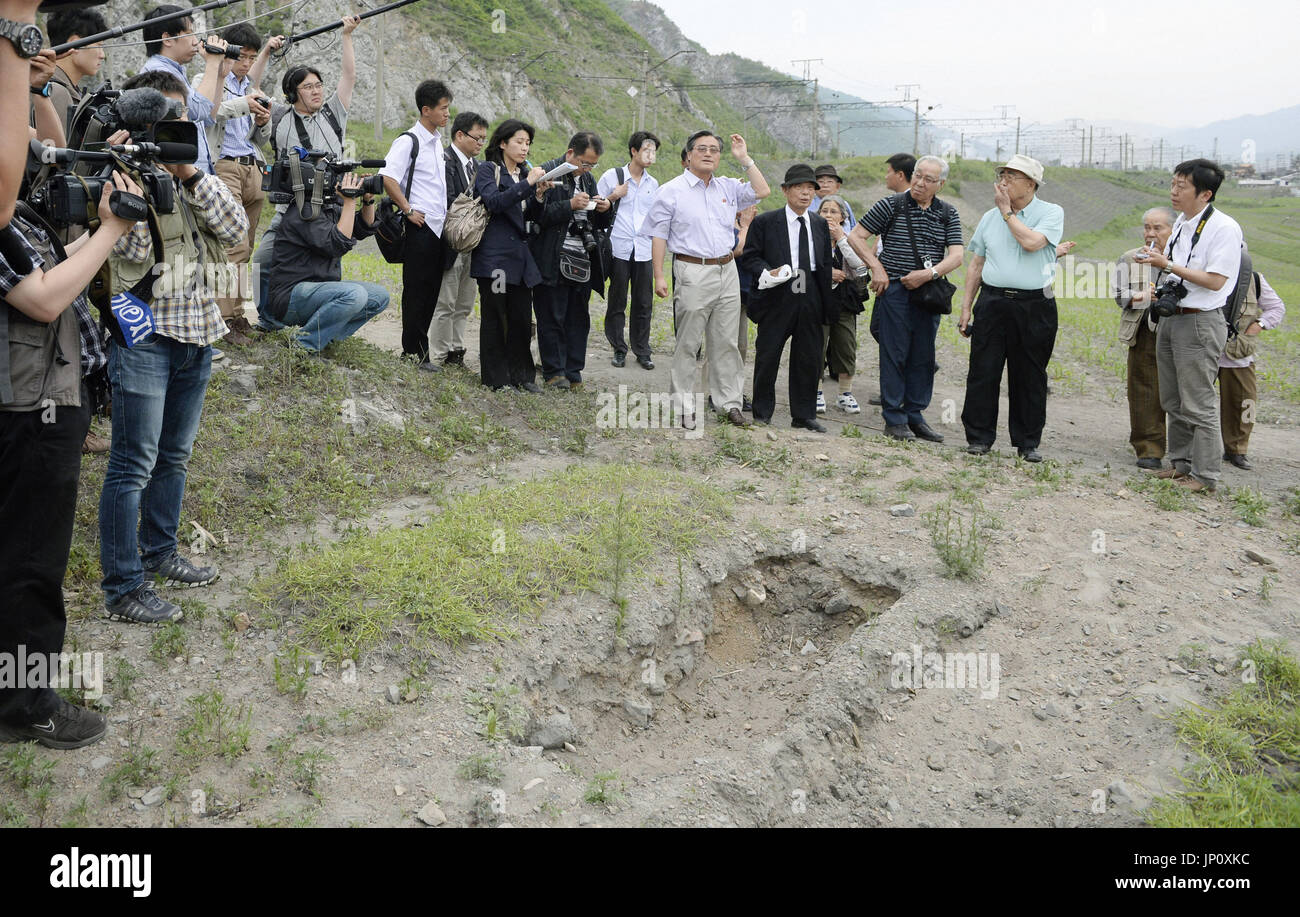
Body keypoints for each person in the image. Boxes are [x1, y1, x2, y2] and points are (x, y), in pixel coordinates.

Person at [98, 69, 248, 625]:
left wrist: (186, 171)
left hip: (197, 332)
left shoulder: (191, 175)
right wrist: (128, 169)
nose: (173, 131)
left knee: (174, 457)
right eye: (162, 123)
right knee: (132, 463)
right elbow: (125, 250)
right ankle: (122, 585)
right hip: (144, 338)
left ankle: (160, 554)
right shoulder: (117, 175)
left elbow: (235, 232)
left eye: (181, 121)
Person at [0, 166, 142, 748]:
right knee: (30, 562)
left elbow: (54, 269)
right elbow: (43, 298)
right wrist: (110, 232)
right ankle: (25, 708)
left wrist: (110, 220)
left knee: (24, 554)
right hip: (29, 411)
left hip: (46, 402)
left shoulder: (14, 214)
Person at [644, 130, 770, 428]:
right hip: (692, 269)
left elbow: (762, 191)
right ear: (688, 156)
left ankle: (728, 403)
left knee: (726, 341)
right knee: (688, 342)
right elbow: (659, 235)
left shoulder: (727, 186)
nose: (709, 153)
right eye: (702, 148)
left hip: (726, 268)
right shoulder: (671, 190)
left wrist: (745, 159)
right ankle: (684, 405)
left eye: (715, 149)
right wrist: (659, 275)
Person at [1134, 159, 1244, 493]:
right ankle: (1181, 465)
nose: (1174, 192)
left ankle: (1206, 475)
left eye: (1182, 186)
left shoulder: (1224, 228)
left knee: (1198, 402)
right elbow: (1180, 265)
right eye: (1173, 184)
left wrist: (1166, 264)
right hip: (1174, 317)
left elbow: (1214, 280)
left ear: (1205, 193)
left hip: (1200, 321)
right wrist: (1161, 263)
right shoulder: (1182, 222)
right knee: (1173, 398)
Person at [251, 15, 359, 324]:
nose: (316, 91)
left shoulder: (334, 114)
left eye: (318, 85)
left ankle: (315, 320)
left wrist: (347, 36)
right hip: (291, 210)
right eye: (308, 87)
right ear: (292, 93)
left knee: (323, 265)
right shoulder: (280, 115)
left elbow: (348, 77)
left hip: (328, 209)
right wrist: (267, 52)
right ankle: (267, 320)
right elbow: (252, 87)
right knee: (262, 261)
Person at [847, 154, 963, 442]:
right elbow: (856, 236)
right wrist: (877, 268)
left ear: (941, 184)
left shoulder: (948, 213)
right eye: (917, 176)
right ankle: (894, 418)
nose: (920, 183)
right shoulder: (891, 205)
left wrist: (929, 274)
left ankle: (915, 415)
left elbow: (957, 256)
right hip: (895, 290)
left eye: (929, 179)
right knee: (894, 354)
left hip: (928, 292)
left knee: (923, 356)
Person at [958, 155, 1063, 462]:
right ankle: (978, 437)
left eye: (1012, 176)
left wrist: (1007, 213)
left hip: (1035, 305)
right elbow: (976, 263)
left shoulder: (1051, 212)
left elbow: (1032, 243)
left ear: (1031, 184)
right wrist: (966, 308)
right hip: (992, 302)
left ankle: (1027, 442)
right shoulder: (990, 217)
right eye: (1002, 174)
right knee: (983, 371)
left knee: (1029, 374)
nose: (1003, 181)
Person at [740, 163, 835, 432]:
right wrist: (766, 271)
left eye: (810, 189)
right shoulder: (766, 222)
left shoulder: (818, 223)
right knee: (768, 355)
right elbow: (751, 257)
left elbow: (825, 264)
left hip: (811, 292)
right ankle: (762, 412)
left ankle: (803, 415)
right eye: (799, 188)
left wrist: (825, 303)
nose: (805, 194)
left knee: (808, 357)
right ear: (785, 190)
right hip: (778, 294)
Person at [209, 23, 282, 346]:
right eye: (243, 56)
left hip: (252, 166)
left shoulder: (249, 86)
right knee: (233, 246)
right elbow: (209, 111)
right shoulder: (212, 80)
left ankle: (237, 314)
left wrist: (263, 121)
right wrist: (244, 105)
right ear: (228, 51)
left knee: (247, 246)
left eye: (252, 57)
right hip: (225, 167)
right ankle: (223, 318)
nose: (247, 63)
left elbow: (258, 137)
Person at [263, 172, 386, 351]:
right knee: (354, 295)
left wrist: (367, 200)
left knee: (380, 297)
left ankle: (326, 338)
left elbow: (363, 228)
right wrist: (350, 201)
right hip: (291, 297)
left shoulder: (330, 207)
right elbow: (337, 244)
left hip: (319, 292)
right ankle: (303, 346)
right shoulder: (304, 211)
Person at [530, 130, 612, 390]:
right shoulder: (549, 174)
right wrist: (570, 205)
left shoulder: (588, 180)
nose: (587, 168)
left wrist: (604, 208)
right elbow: (537, 216)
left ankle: (574, 371)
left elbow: (597, 224)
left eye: (592, 164)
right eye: (584, 163)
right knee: (552, 315)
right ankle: (554, 371)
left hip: (582, 260)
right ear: (570, 154)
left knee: (578, 318)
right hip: (552, 258)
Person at [470, 118, 548, 392]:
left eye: (528, 143)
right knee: (496, 317)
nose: (524, 148)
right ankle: (496, 378)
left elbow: (526, 218)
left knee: (520, 318)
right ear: (502, 143)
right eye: (519, 142)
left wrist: (537, 195)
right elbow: (495, 203)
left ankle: (523, 376)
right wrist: (527, 184)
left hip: (520, 260)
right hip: (496, 261)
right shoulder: (487, 170)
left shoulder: (524, 174)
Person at [380, 79, 451, 365]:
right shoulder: (409, 140)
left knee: (431, 290)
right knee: (416, 291)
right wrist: (408, 209)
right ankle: (412, 352)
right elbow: (388, 178)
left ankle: (422, 352)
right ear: (426, 110)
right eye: (443, 109)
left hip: (438, 227)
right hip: (418, 227)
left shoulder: (436, 142)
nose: (447, 114)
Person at [1114, 206, 1175, 469]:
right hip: (1143, 330)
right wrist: (1139, 297)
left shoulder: (1184, 259)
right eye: (1147, 227)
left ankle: (1186, 450)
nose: (1150, 233)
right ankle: (1148, 448)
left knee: (1182, 391)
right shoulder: (1129, 258)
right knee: (1143, 390)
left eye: (1157, 228)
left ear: (1173, 230)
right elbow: (1120, 295)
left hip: (1177, 330)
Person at [428, 110, 488, 370]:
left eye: (484, 139)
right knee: (445, 302)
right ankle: (438, 355)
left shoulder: (478, 166)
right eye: (477, 138)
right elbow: (446, 202)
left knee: (463, 303)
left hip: (472, 245)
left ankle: (457, 351)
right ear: (460, 135)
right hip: (450, 244)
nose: (480, 144)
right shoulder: (443, 160)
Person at [597, 130, 659, 371]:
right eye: (646, 150)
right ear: (634, 151)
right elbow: (596, 207)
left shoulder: (653, 184)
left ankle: (642, 350)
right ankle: (618, 348)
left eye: (653, 151)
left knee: (644, 302)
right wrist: (614, 195)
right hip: (619, 246)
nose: (650, 155)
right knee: (618, 299)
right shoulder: (613, 176)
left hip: (643, 248)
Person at [139, 5, 224, 175]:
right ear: (167, 39)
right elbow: (200, 110)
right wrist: (212, 63)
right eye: (190, 33)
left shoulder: (174, 70)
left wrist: (221, 74)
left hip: (193, 168)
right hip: (182, 174)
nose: (195, 41)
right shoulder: (158, 73)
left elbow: (208, 117)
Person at [1218, 270, 1285, 470]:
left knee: (1246, 402)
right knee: (1190, 400)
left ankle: (1237, 449)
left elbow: (1276, 307)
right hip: (1202, 349)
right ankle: (1190, 449)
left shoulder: (1253, 278)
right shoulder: (1199, 269)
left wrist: (1259, 324)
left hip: (1238, 354)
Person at [866, 153, 917, 404]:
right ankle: (896, 387)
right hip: (885, 277)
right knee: (880, 329)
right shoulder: (892, 204)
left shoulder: (903, 203)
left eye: (888, 171)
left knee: (891, 333)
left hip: (898, 281)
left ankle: (899, 389)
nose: (885, 176)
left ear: (899, 174)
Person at [818, 194, 868, 414]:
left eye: (833, 211)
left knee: (846, 346)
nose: (828, 215)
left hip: (845, 301)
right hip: (818, 300)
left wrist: (841, 239)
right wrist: (826, 273)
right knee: (816, 345)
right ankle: (815, 391)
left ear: (842, 217)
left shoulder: (851, 239)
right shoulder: (811, 237)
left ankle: (845, 394)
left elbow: (860, 269)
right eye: (824, 211)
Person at [41, 6, 107, 136]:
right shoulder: (56, 91)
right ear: (75, 44)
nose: (102, 55)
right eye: (99, 46)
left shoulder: (53, 86)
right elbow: (57, 151)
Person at [808, 163, 856, 228]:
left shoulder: (845, 204)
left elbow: (853, 228)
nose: (825, 185)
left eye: (829, 181)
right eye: (821, 181)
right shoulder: (807, 205)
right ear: (814, 186)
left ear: (837, 186)